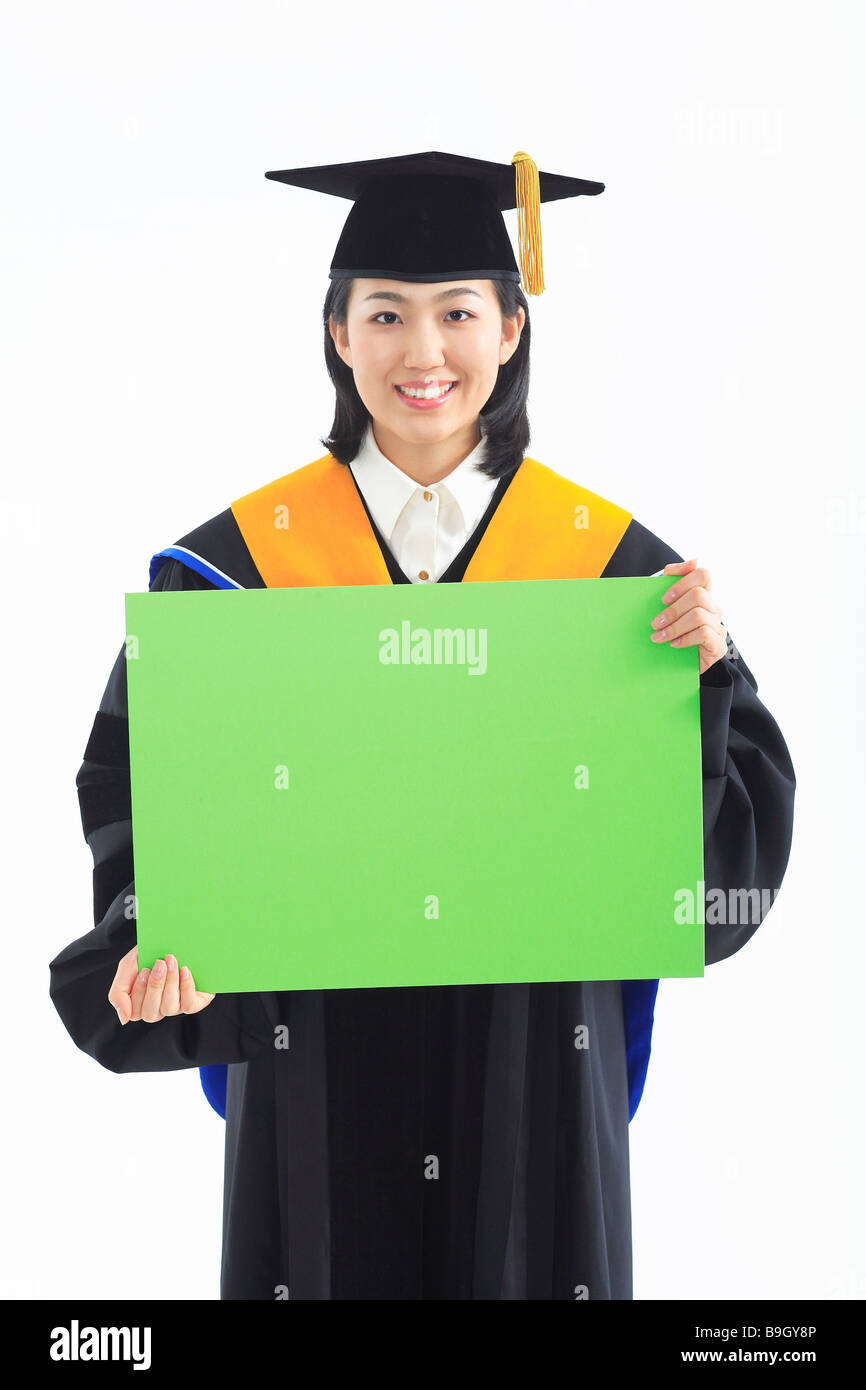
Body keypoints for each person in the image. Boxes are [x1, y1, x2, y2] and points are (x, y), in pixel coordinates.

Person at [49, 149, 796, 1300]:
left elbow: (708, 878)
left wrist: (708, 671)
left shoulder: (615, 577)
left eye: (457, 313)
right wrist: (160, 940)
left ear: (509, 330)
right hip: (316, 1077)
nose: (423, 352)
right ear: (338, 334)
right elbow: (137, 796)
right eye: (385, 313)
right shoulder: (231, 574)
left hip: (535, 1070)